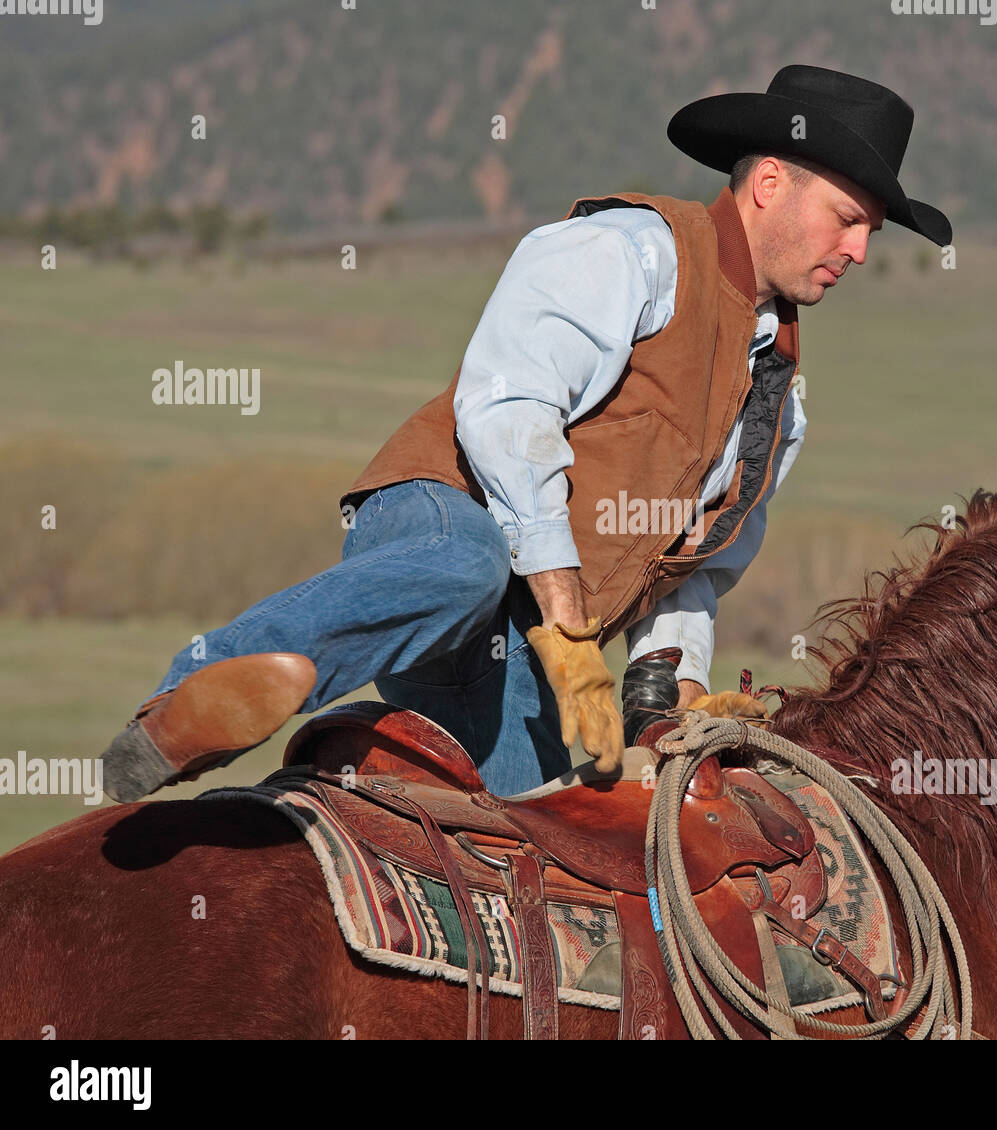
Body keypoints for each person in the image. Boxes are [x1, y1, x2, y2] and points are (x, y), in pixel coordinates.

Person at [98, 64, 951, 803]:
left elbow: (694, 568)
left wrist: (669, 687)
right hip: (445, 514)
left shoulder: (780, 406)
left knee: (532, 832)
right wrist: (562, 600)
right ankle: (188, 702)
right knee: (464, 569)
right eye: (847, 217)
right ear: (770, 183)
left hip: (534, 641)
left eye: (869, 231)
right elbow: (508, 408)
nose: (860, 250)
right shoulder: (633, 253)